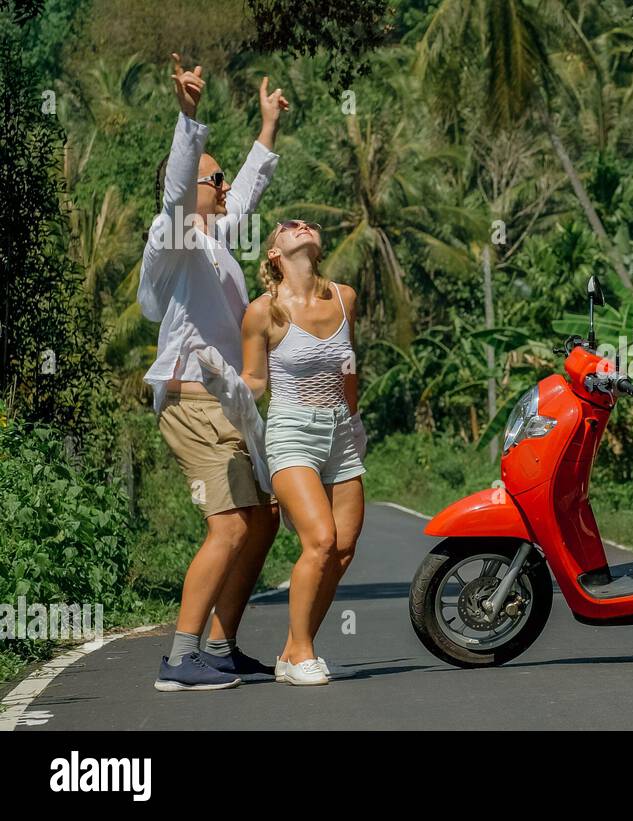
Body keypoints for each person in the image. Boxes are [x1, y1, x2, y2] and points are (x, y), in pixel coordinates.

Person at [140, 53, 289, 691]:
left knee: (262, 518)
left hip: (226, 405)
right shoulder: (171, 239)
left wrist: (267, 127)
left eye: (223, 176)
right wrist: (187, 117)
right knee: (227, 524)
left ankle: (222, 646)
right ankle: (179, 658)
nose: (224, 184)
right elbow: (179, 190)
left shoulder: (219, 241)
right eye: (215, 177)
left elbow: (248, 190)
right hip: (188, 400)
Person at [239, 219, 367, 686]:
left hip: (340, 429)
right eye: (288, 227)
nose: (301, 226)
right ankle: (304, 654)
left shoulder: (344, 296)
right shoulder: (262, 312)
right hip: (291, 430)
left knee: (345, 548)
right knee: (320, 540)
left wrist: (355, 420)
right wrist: (224, 384)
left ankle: (294, 649)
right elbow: (256, 382)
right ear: (274, 253)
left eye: (308, 224)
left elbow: (348, 363)